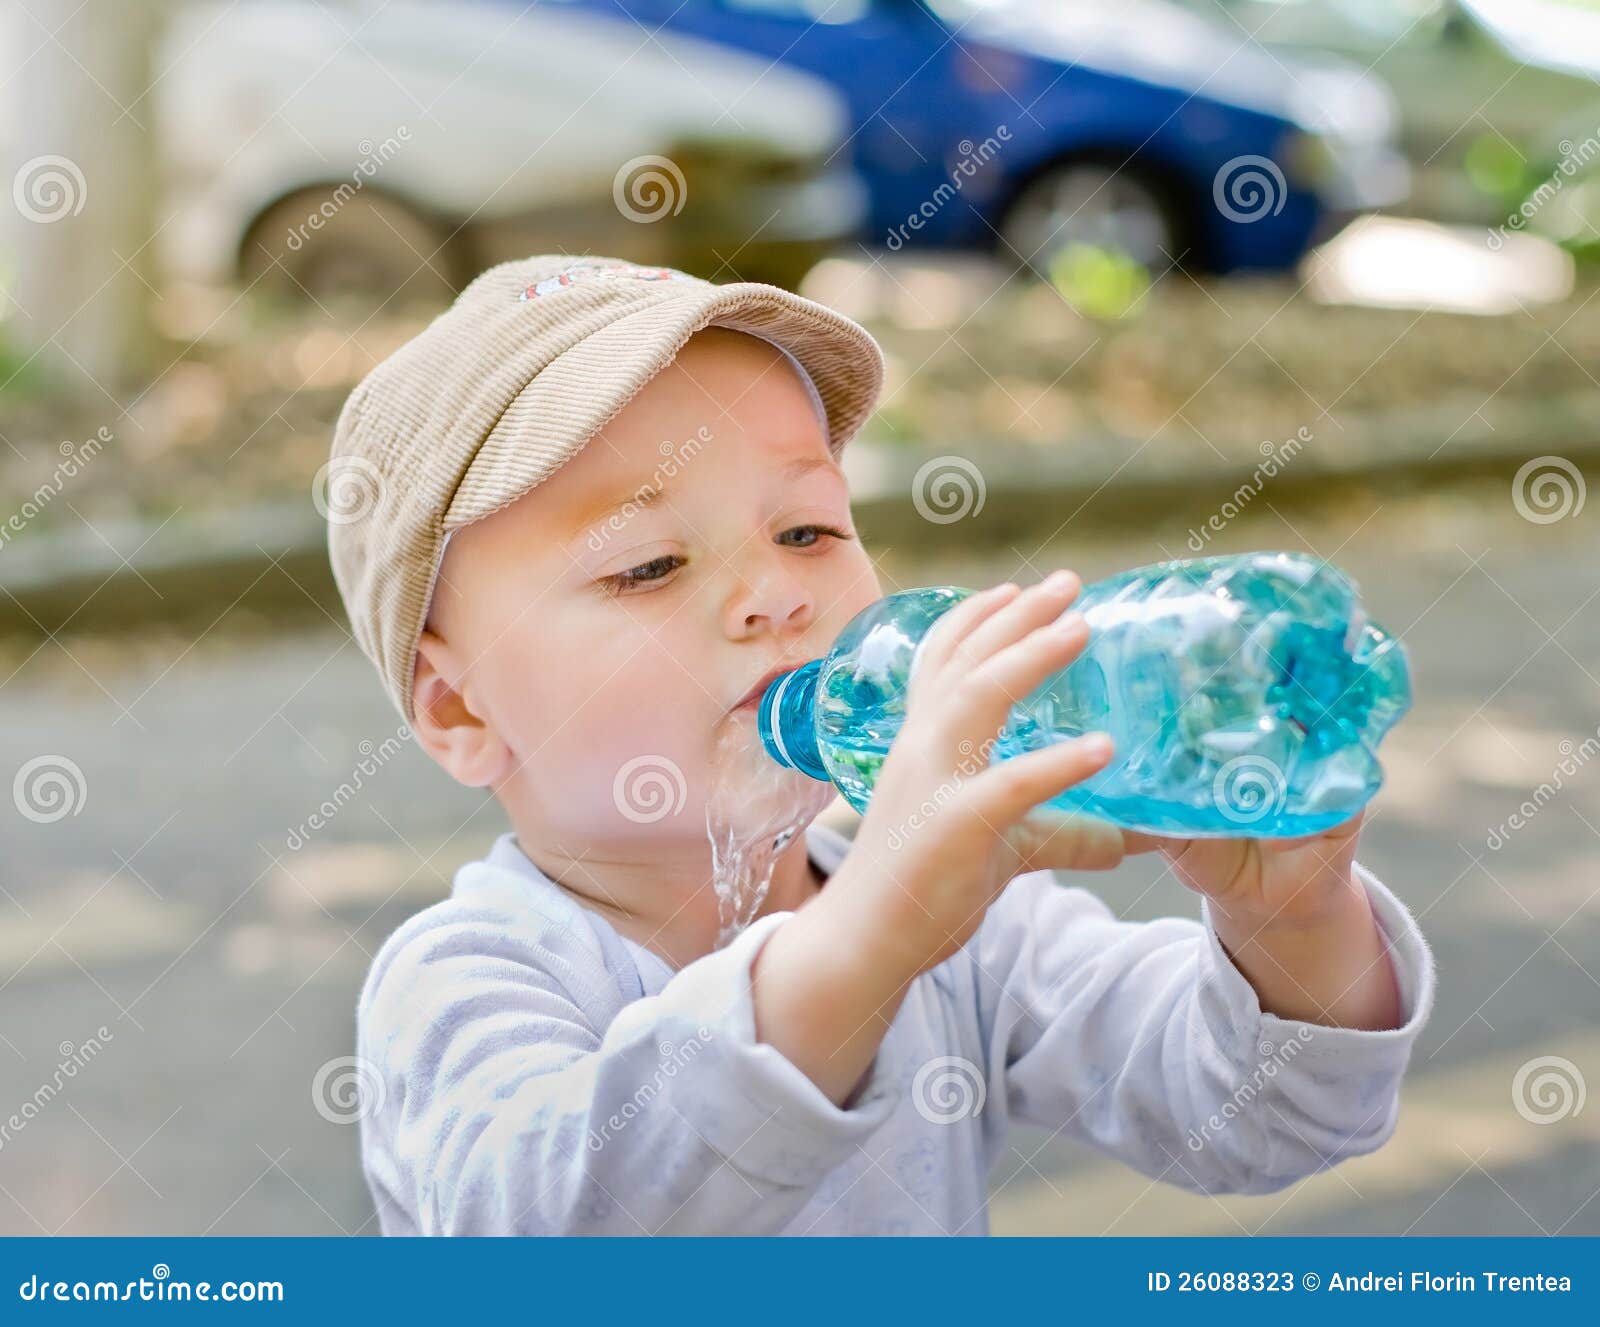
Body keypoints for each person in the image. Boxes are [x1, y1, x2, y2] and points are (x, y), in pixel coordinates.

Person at [327, 255, 1435, 1236]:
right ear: (461, 712)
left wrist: (1286, 916)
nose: (770, 595)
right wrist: (866, 943)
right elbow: (547, 1230)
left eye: (806, 529)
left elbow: (1259, 1121)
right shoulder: (470, 978)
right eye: (649, 564)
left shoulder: (951, 905)